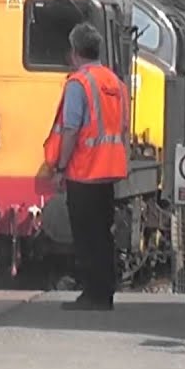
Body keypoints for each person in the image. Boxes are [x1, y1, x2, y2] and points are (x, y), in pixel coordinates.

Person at [43, 22, 130, 311]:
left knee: (85, 235)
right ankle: (104, 292)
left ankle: (91, 294)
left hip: (84, 172)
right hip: (109, 171)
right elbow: (124, 127)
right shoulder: (115, 83)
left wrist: (60, 167)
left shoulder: (79, 84)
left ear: (74, 52)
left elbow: (71, 129)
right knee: (103, 234)